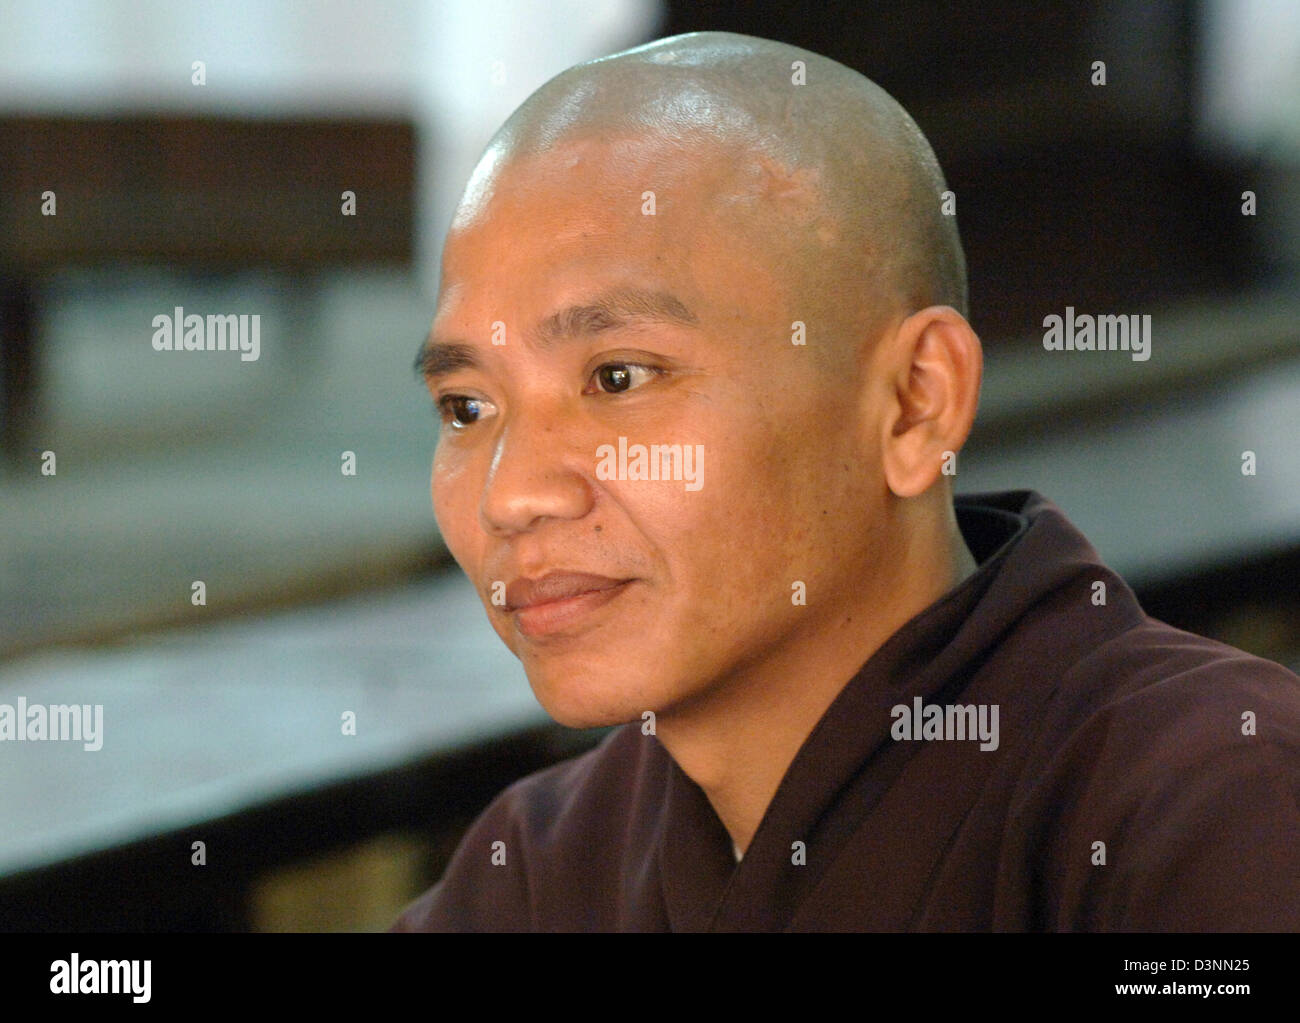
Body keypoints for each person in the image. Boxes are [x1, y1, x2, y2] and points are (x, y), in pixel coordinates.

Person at [392, 30, 1300, 931]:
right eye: (467, 408)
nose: (509, 496)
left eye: (619, 377)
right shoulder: (547, 867)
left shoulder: (1205, 803)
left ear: (914, 402)